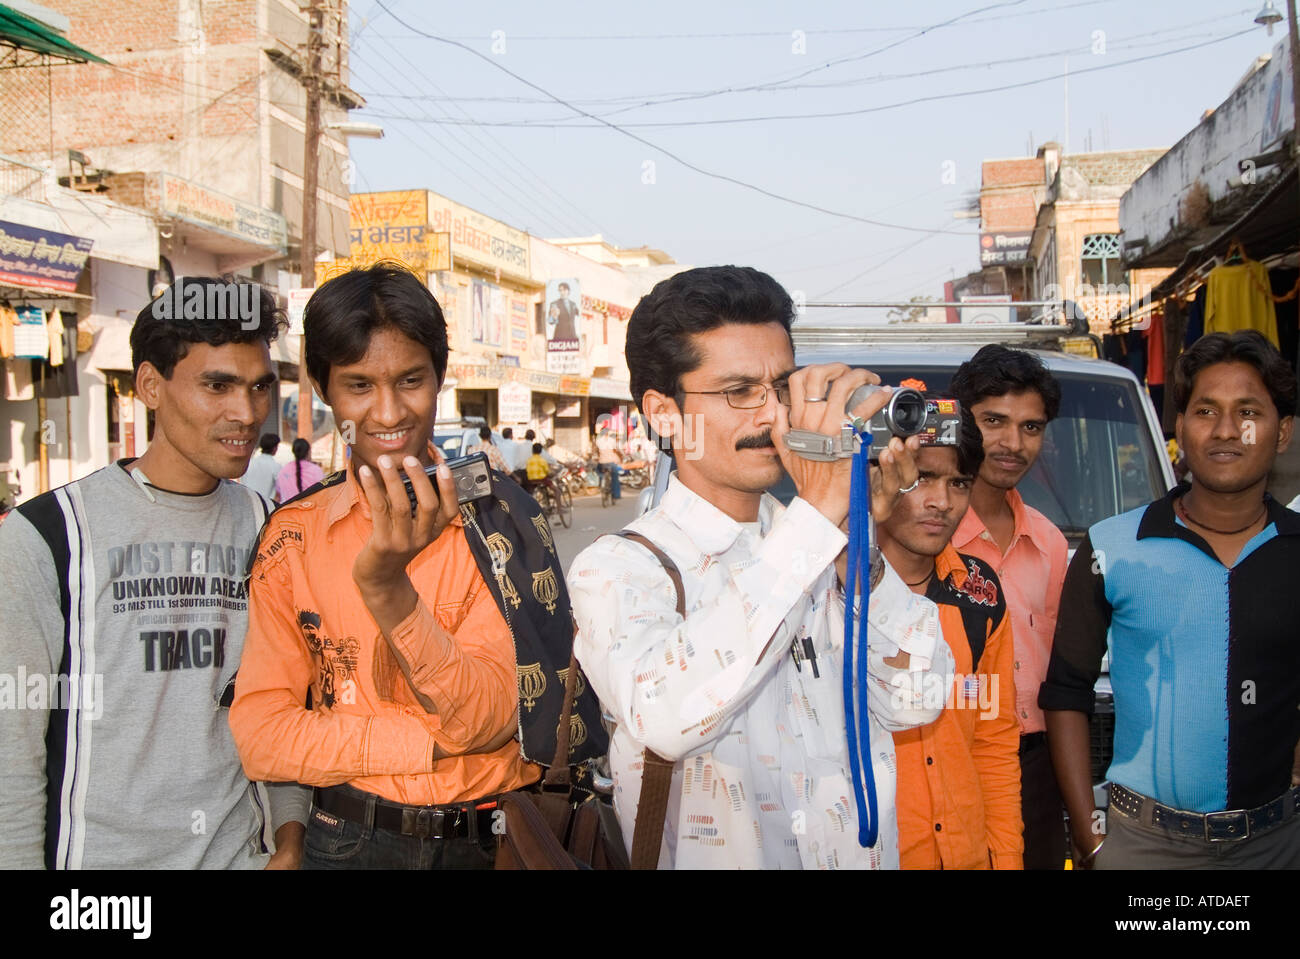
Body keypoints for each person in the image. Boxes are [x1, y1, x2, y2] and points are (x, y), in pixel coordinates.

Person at [569, 265, 955, 869]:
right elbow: (668, 718)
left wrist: (856, 542)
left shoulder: (823, 540)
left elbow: (917, 699)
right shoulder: (617, 569)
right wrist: (822, 511)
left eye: (781, 388)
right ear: (663, 413)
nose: (771, 416)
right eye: (738, 392)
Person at [228, 263, 586, 870]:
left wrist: (385, 587)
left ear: (440, 378)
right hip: (345, 843)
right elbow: (261, 737)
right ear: (323, 389)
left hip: (494, 840)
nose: (389, 413)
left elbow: (483, 720)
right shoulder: (294, 536)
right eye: (359, 386)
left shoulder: (502, 517)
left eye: (410, 380)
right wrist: (425, 742)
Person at [0, 277, 306, 869]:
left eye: (259, 387)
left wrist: (288, 839)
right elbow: (12, 750)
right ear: (150, 386)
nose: (245, 413)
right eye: (217, 386)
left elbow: (286, 707)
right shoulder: (48, 536)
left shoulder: (272, 530)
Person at [1041, 330, 1300, 869]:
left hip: (1278, 845)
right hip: (1143, 847)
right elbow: (1067, 692)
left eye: (1248, 411)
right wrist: (1091, 838)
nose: (1226, 430)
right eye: (1205, 410)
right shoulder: (1111, 546)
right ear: (1179, 428)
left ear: (1282, 433)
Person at [879, 403, 1022, 869]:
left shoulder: (979, 594)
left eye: (959, 482)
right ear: (880, 474)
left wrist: (1006, 859)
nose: (942, 501)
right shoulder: (830, 591)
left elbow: (993, 739)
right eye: (921, 477)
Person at [948, 345, 1068, 870]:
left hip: (1037, 769)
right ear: (962, 422)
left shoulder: (1050, 542)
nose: (1012, 444)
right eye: (994, 421)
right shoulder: (922, 536)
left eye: (1031, 427)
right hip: (950, 756)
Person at [275, 437, 325, 503]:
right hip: (311, 510)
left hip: (287, 511)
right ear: (309, 452)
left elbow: (278, 495)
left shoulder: (284, 470)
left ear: (294, 452)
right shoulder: (315, 470)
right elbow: (323, 494)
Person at [241, 432, 281, 500]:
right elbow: (280, 490)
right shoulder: (276, 466)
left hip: (247, 502)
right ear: (275, 448)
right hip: (267, 506)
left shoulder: (249, 463)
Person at [595, 427, 623, 501]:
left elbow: (597, 451)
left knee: (598, 471)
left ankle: (601, 483)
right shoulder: (611, 441)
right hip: (611, 462)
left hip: (602, 462)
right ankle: (616, 494)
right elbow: (616, 450)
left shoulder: (598, 441)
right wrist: (620, 457)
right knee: (615, 476)